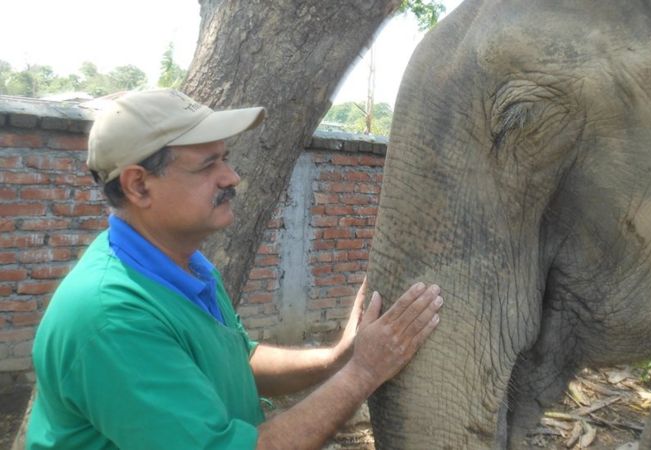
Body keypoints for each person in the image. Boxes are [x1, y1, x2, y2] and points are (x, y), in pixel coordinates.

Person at [26, 89, 443, 449]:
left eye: (225, 159)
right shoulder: (111, 317)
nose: (232, 177)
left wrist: (336, 359)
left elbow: (239, 362)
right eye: (207, 165)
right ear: (138, 185)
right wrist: (363, 373)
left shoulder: (185, 266)